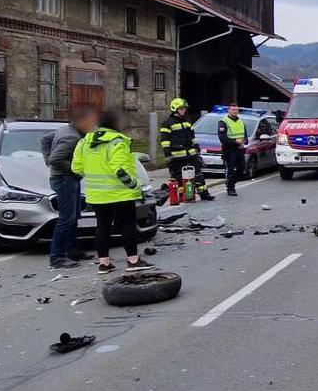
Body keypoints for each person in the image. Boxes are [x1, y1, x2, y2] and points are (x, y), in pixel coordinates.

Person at [71, 109, 155, 275]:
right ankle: (133, 260)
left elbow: (76, 168)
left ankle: (104, 263)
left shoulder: (85, 141)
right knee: (127, 226)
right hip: (120, 194)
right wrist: (134, 186)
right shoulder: (117, 142)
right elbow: (120, 170)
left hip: (97, 195)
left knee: (102, 227)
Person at [41, 108, 97, 269]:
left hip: (68, 179)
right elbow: (55, 159)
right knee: (66, 219)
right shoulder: (71, 137)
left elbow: (45, 140)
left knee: (74, 216)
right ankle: (57, 257)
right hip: (64, 179)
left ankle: (72, 250)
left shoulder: (66, 129)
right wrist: (75, 169)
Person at [160, 98, 214, 201]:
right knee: (179, 177)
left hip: (191, 154)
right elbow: (165, 141)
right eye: (181, 108)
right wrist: (168, 155)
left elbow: (193, 138)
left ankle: (204, 194)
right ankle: (182, 196)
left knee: (198, 175)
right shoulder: (167, 123)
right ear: (175, 109)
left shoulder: (188, 121)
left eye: (184, 108)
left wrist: (197, 151)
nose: (184, 110)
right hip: (178, 155)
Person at [218, 104, 247, 197]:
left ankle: (231, 182)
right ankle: (231, 189)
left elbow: (245, 135)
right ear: (229, 111)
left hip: (239, 149)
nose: (235, 111)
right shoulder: (223, 121)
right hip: (229, 149)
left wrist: (244, 142)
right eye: (233, 109)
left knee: (242, 167)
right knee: (230, 169)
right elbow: (222, 138)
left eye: (236, 109)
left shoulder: (240, 121)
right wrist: (235, 142)